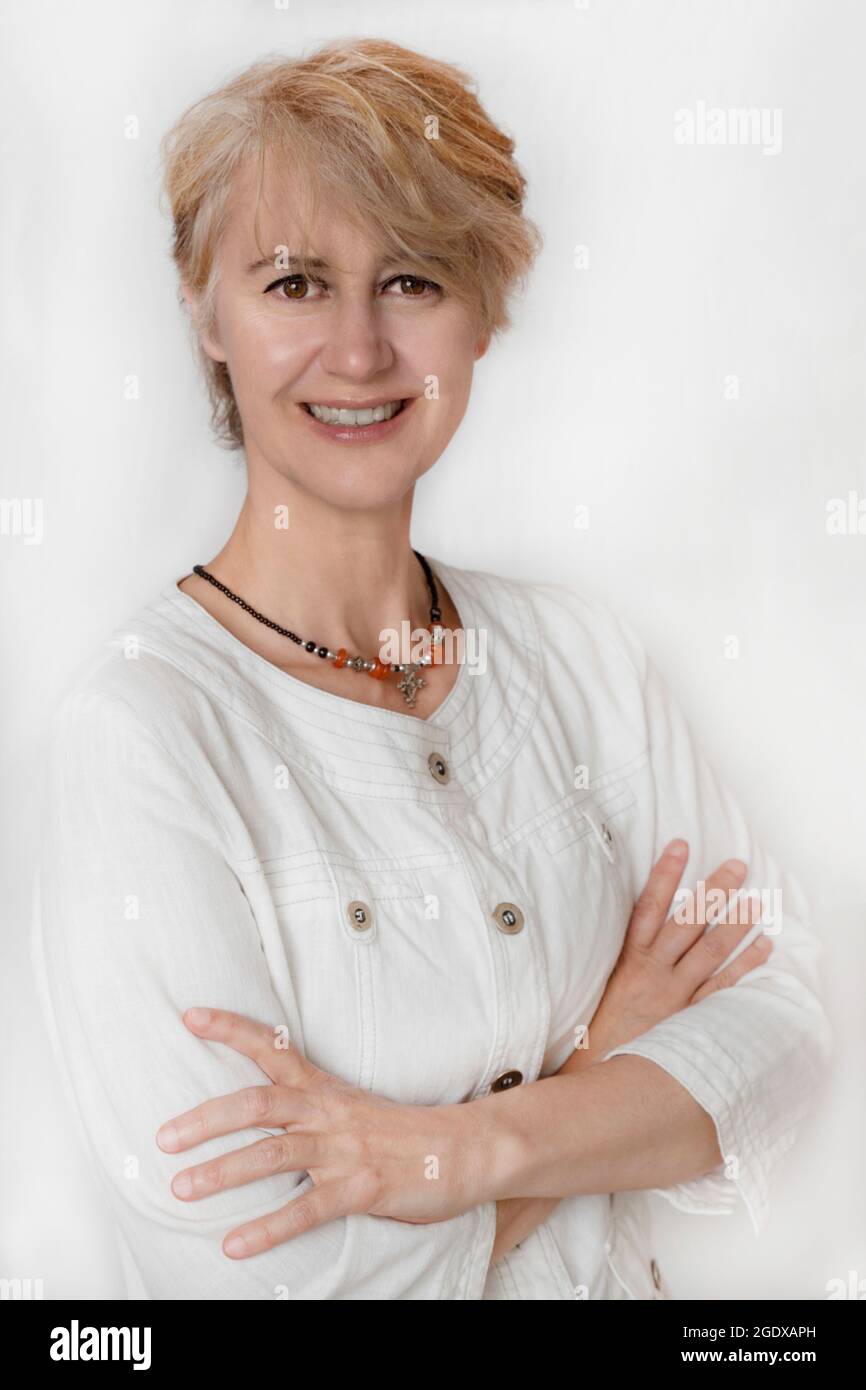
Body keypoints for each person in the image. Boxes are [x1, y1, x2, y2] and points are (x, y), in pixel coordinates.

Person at [32, 38, 832, 1301]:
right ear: (204, 313)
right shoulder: (139, 735)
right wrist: (605, 1077)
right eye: (294, 284)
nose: (356, 351)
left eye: (409, 280)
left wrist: (460, 1148)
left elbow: (789, 1022)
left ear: (483, 311)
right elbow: (260, 1287)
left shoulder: (581, 655)